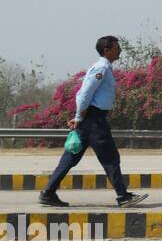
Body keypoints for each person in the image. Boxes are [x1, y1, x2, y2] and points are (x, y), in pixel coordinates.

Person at [39, 36, 148, 208]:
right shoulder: (102, 68)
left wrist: (79, 118)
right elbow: (84, 94)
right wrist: (78, 117)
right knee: (110, 157)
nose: (120, 50)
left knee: (70, 158)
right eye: (116, 47)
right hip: (94, 120)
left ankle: (48, 193)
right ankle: (123, 196)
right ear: (107, 50)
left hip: (90, 119)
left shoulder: (103, 67)